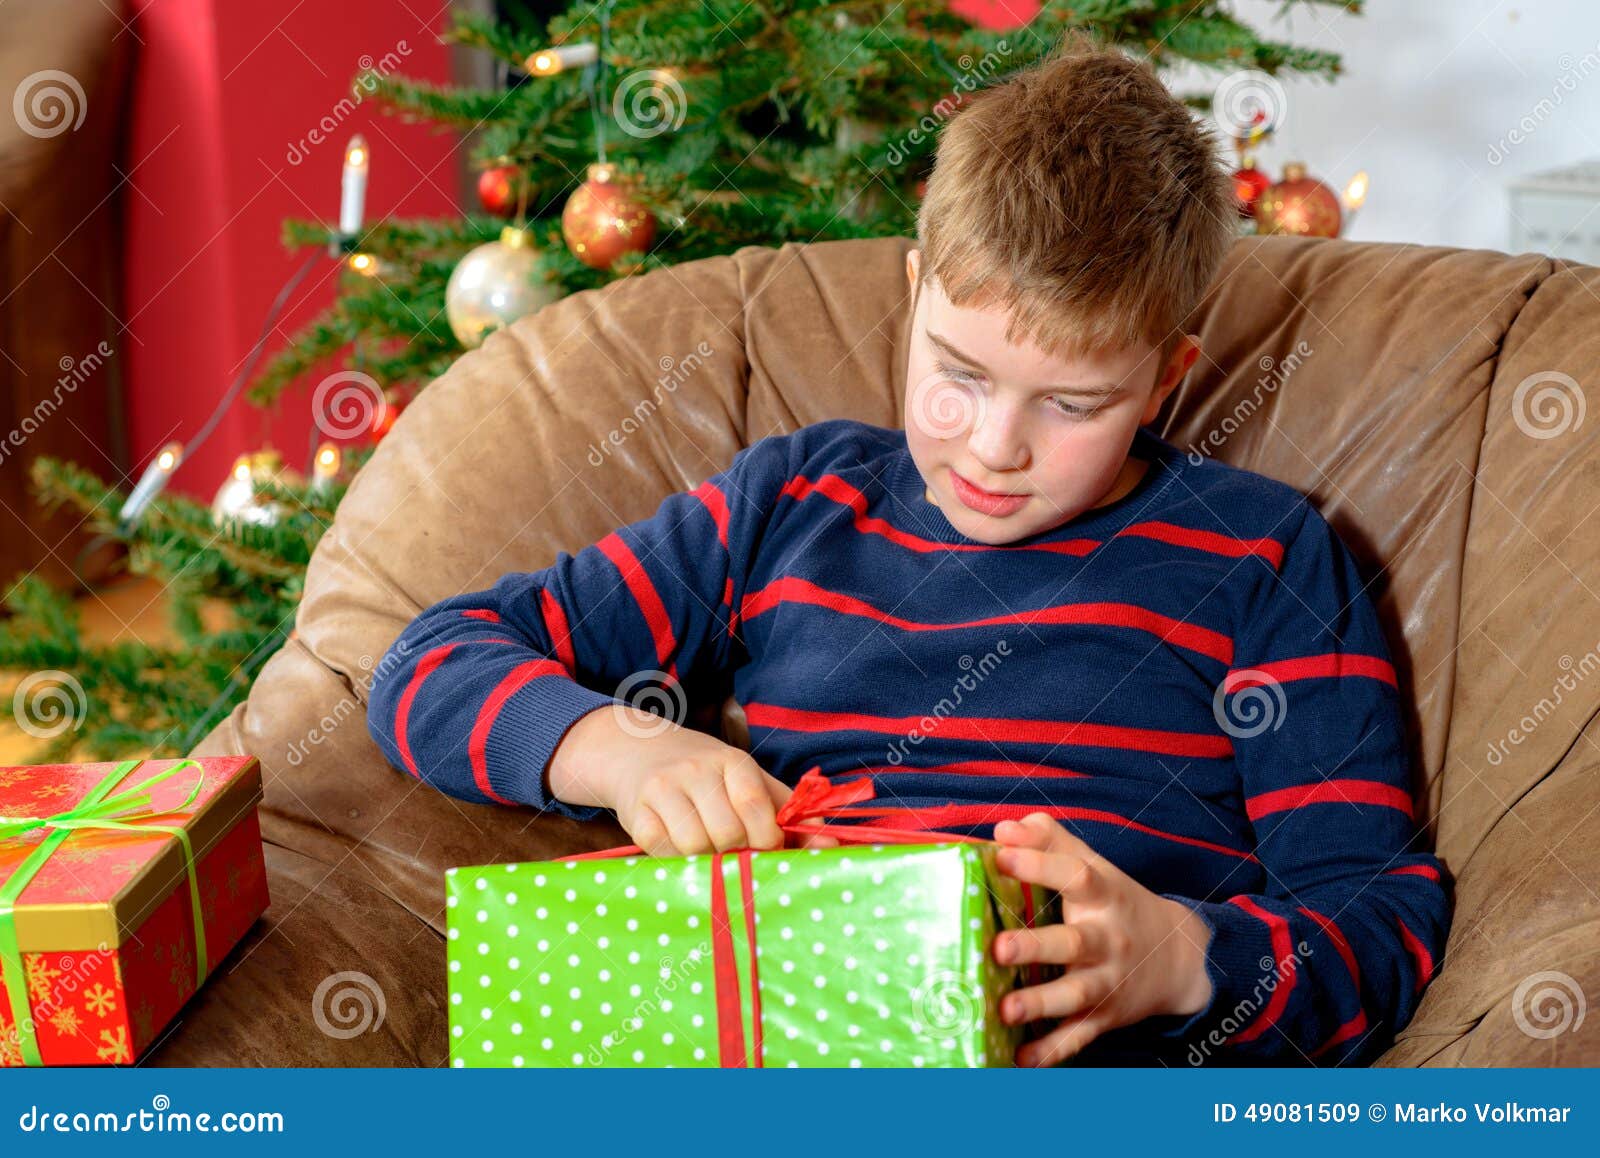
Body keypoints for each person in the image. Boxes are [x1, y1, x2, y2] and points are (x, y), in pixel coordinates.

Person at [368, 35, 1451, 1066]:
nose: (993, 449)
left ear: (1164, 380)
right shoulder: (790, 500)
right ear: (912, 289)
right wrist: (621, 750)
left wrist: (1180, 962)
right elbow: (426, 664)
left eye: (1072, 403)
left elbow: (1379, 923)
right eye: (958, 372)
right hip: (783, 1038)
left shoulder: (1261, 556)